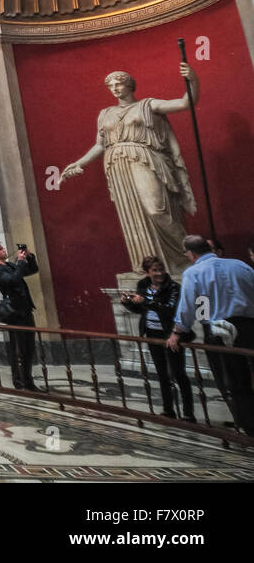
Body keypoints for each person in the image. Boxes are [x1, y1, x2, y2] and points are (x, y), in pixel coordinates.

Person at [60, 64, 198, 277]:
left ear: (129, 85)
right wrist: (79, 163)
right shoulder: (105, 114)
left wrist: (193, 80)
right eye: (111, 85)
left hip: (144, 159)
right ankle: (149, 266)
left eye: (119, 83)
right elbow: (100, 145)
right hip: (117, 165)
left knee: (155, 209)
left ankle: (185, 255)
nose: (114, 88)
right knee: (133, 216)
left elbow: (185, 102)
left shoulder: (148, 105)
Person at [168, 235, 254, 434]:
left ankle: (248, 427)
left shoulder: (194, 272)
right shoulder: (239, 265)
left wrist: (177, 331)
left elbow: (190, 307)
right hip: (249, 326)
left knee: (233, 379)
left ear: (190, 254)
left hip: (219, 330)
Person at [121, 255, 193, 421]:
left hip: (171, 334)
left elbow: (170, 309)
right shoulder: (143, 285)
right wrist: (128, 302)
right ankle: (168, 410)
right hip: (152, 333)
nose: (160, 273)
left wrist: (146, 301)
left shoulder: (173, 287)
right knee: (161, 373)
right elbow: (141, 310)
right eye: (155, 270)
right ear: (147, 273)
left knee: (178, 372)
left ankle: (188, 413)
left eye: (161, 269)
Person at [0, 240, 41, 391]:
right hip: (15, 313)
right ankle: (19, 381)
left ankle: (28, 381)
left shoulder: (9, 265)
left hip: (26, 310)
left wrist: (28, 257)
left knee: (28, 348)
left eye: (3, 247)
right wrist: (21, 262)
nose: (4, 250)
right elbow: (12, 280)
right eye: (0, 249)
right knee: (19, 348)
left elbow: (32, 270)